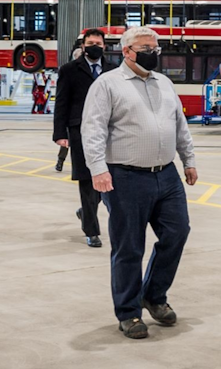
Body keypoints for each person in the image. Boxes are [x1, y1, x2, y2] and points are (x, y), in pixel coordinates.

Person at [81, 26, 197, 339]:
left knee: (177, 232)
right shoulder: (107, 84)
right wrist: (97, 169)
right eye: (147, 47)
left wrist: (188, 160)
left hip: (166, 174)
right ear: (128, 51)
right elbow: (92, 129)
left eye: (156, 47)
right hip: (125, 176)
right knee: (129, 247)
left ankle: (153, 295)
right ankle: (129, 312)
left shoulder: (164, 83)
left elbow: (179, 125)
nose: (153, 52)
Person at [54, 28, 109, 247]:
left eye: (98, 42)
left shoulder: (113, 70)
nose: (94, 45)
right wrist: (60, 134)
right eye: (90, 42)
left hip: (108, 131)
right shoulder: (69, 70)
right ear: (83, 46)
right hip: (80, 131)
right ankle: (92, 231)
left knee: (106, 181)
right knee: (87, 180)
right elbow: (61, 103)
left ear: (104, 46)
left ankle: (85, 211)